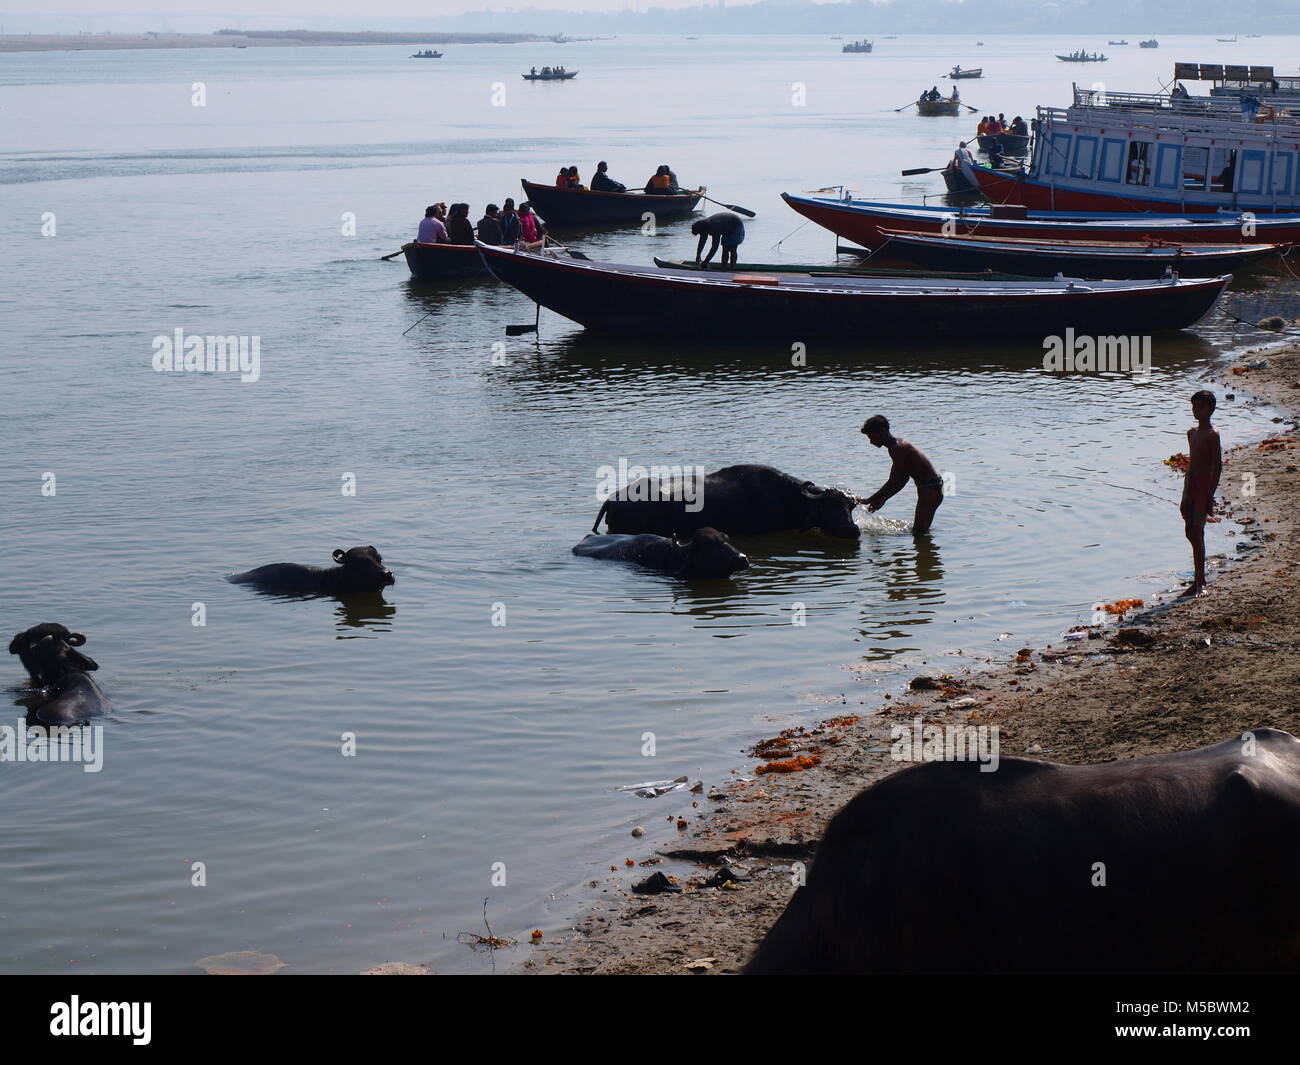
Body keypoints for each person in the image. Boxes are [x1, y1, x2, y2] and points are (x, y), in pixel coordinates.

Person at [858, 415, 943, 536]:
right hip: (928, 488)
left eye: (872, 437)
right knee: (919, 532)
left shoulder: (899, 448)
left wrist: (870, 499)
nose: (871, 442)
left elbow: (894, 481)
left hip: (930, 489)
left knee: (919, 533)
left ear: (882, 431)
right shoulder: (894, 448)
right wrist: (883, 498)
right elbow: (901, 480)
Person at [1179, 390, 1222, 598]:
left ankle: (1201, 582)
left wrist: (1210, 495)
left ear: (1211, 409)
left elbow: (1217, 467)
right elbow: (1192, 464)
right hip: (1191, 484)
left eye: (1201, 407)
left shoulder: (1213, 435)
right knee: (1190, 532)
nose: (1197, 410)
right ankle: (1197, 580)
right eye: (1194, 406)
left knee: (1197, 532)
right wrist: (1185, 493)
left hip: (1203, 487)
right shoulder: (1192, 433)